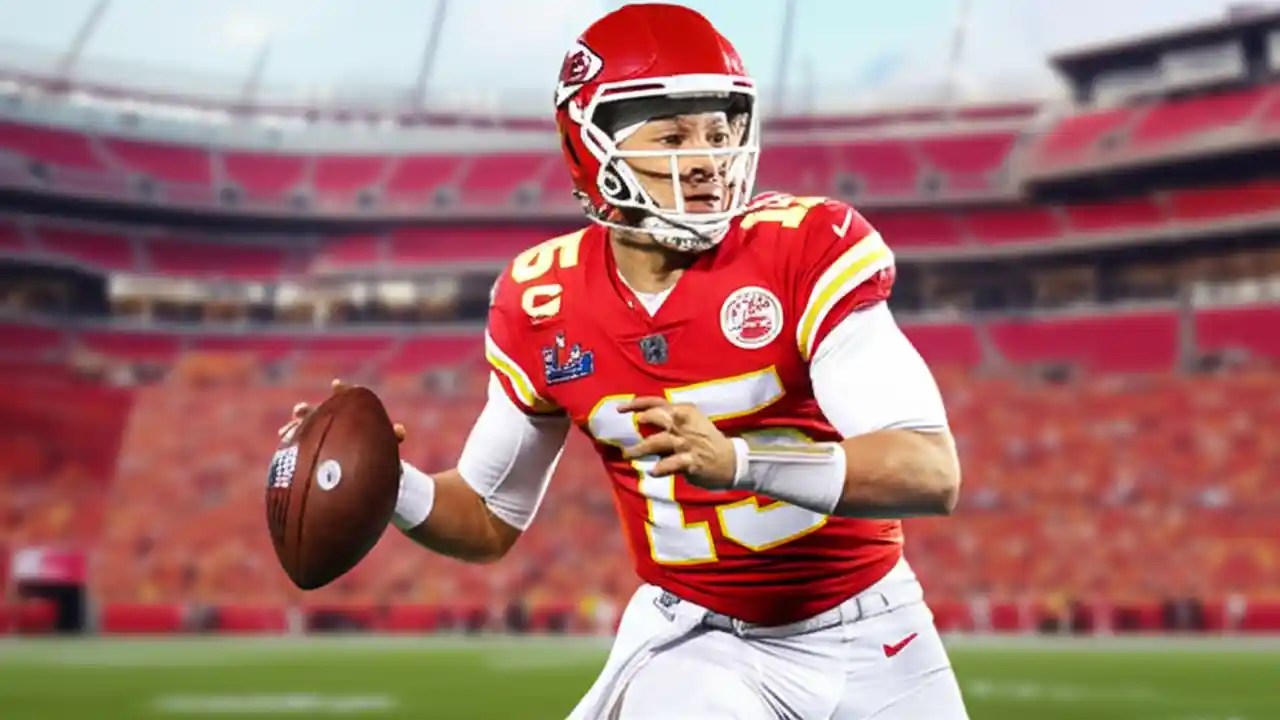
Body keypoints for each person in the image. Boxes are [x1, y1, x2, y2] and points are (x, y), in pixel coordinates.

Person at [281, 4, 968, 718]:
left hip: (875, 626)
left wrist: (737, 463)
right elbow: (488, 516)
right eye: (672, 134)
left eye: (719, 129)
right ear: (591, 148)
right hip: (703, 644)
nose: (706, 156)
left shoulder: (803, 247)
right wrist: (389, 485)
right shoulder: (543, 300)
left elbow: (930, 470)